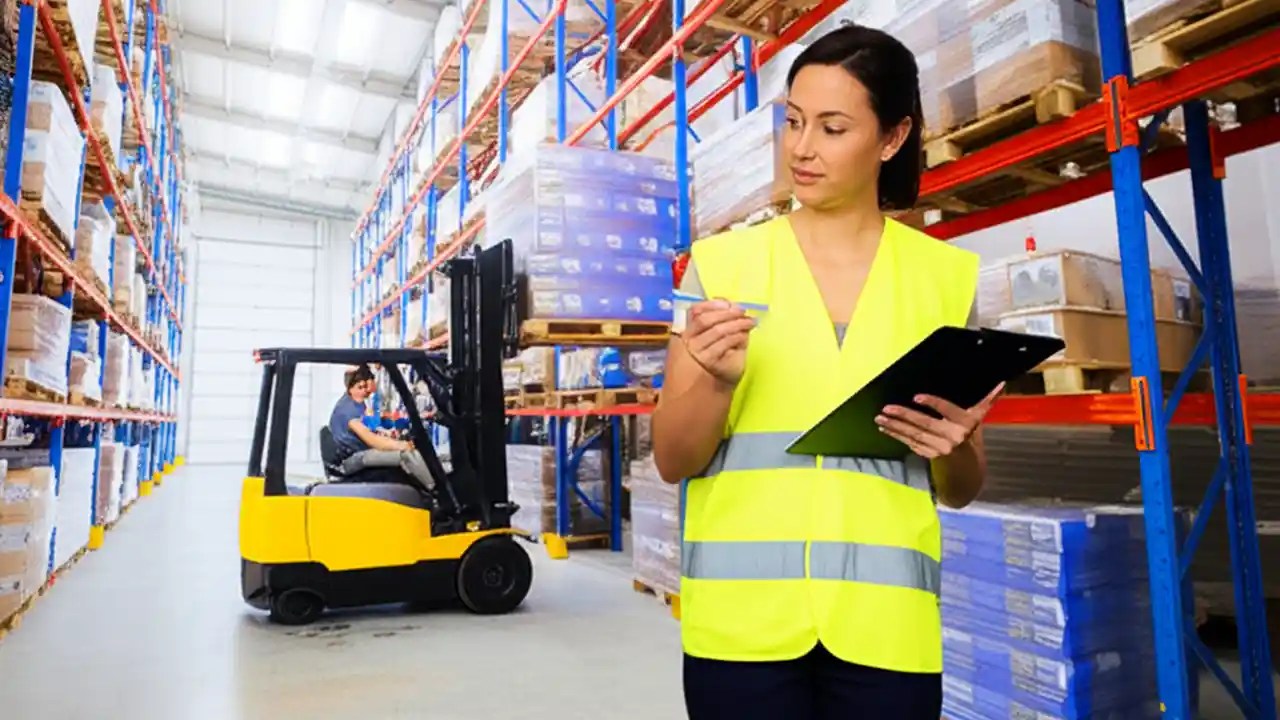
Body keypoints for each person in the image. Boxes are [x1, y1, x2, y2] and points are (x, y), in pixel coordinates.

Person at [652, 25, 1003, 720]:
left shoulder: (943, 277)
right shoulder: (722, 267)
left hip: (887, 632)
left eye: (833, 127)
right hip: (743, 628)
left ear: (892, 138)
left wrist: (957, 445)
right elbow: (672, 458)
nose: (802, 148)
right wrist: (716, 382)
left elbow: (960, 489)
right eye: (793, 122)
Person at [328, 364, 435, 491]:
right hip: (353, 458)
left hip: (358, 452)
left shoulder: (356, 402)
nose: (368, 389)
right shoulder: (348, 410)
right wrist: (400, 445)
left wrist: (389, 433)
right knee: (406, 455)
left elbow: (374, 422)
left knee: (408, 449)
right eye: (361, 386)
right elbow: (373, 440)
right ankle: (435, 490)